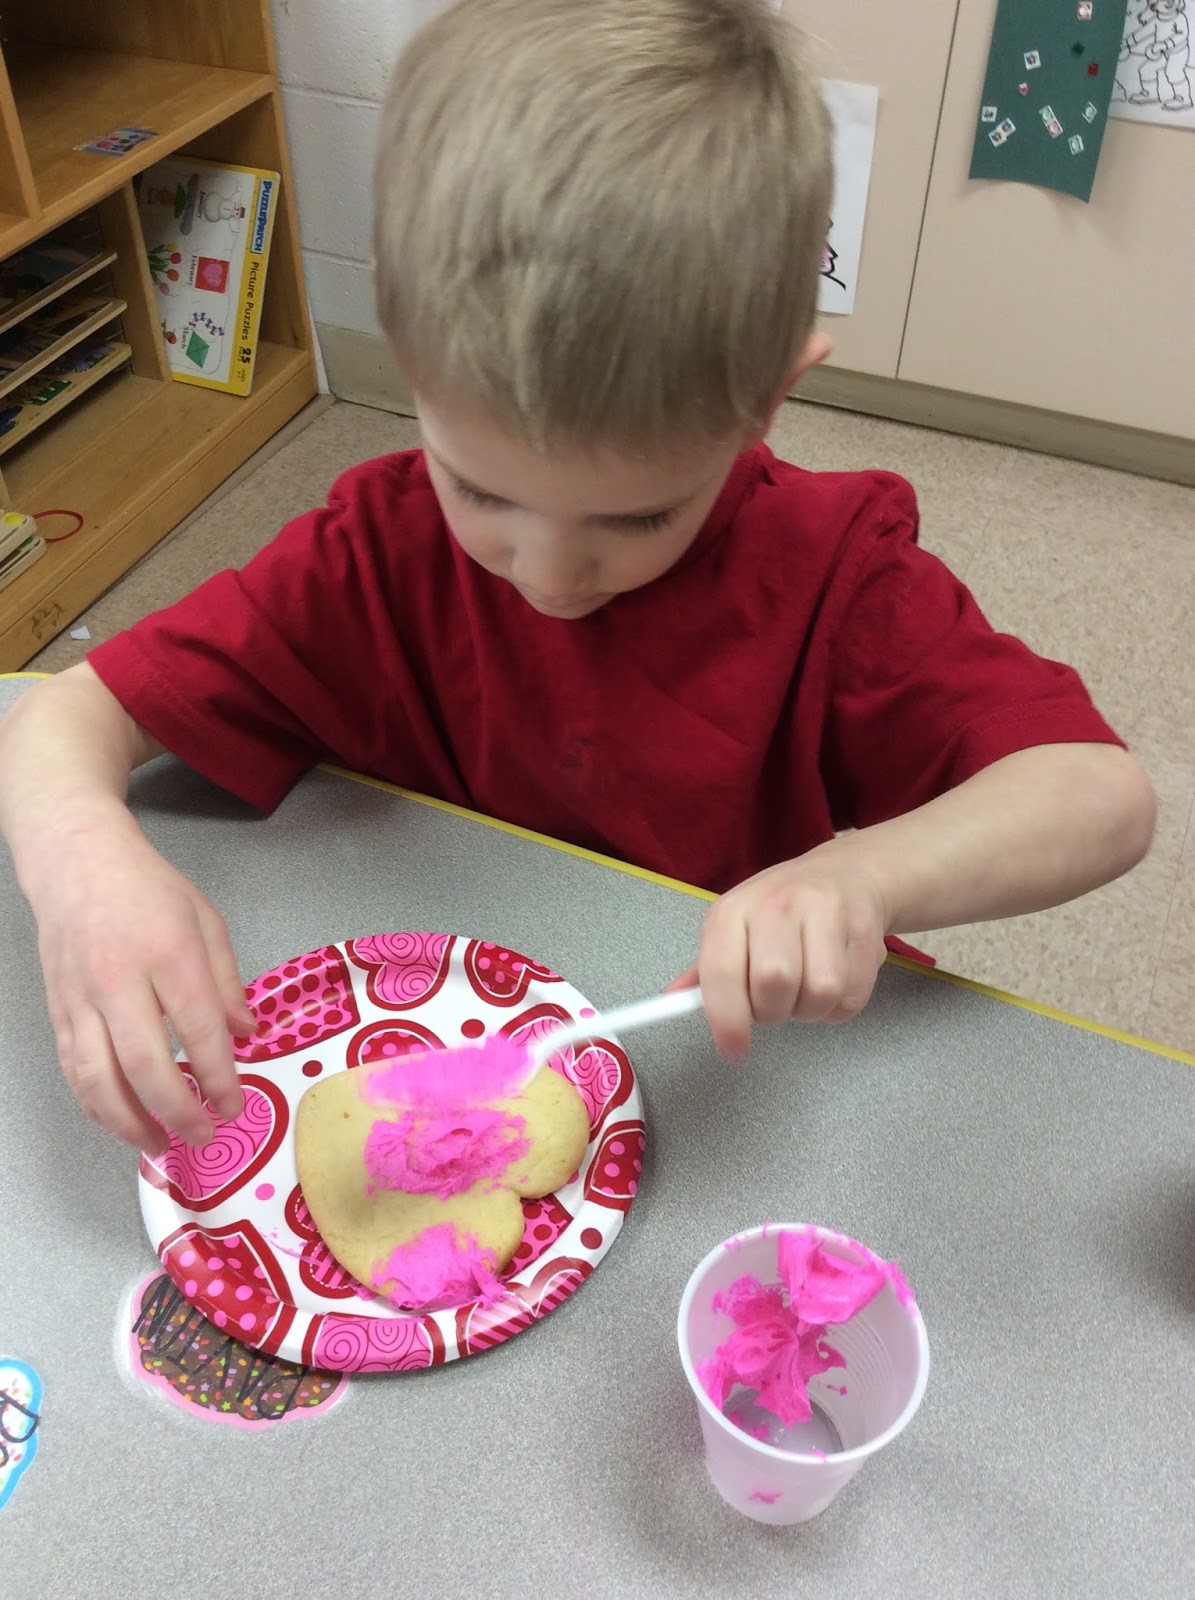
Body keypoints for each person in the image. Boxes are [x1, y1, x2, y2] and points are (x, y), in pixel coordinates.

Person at [0, 0, 1154, 1158]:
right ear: (409, 367)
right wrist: (83, 872)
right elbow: (59, 716)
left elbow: (1098, 795)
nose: (546, 573)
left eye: (638, 513)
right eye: (482, 490)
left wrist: (863, 878)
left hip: (729, 1090)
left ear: (769, 394)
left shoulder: (833, 578)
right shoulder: (373, 552)